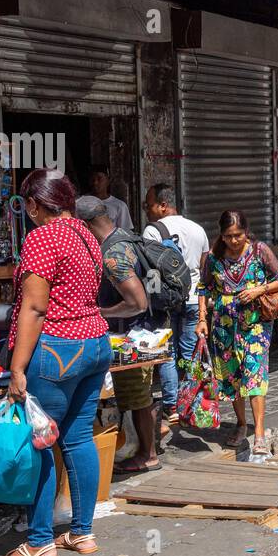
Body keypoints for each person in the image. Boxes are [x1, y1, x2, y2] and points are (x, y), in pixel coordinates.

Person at [0, 172, 111, 556]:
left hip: (58, 350)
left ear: (33, 204)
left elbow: (35, 307)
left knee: (41, 442)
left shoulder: (43, 237)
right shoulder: (84, 233)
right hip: (95, 342)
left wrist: (17, 368)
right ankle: (82, 532)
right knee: (78, 439)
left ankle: (40, 541)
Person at [76, 197, 164, 474]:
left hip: (133, 334)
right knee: (138, 395)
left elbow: (137, 302)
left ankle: (147, 454)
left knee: (137, 397)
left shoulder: (113, 253)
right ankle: (142, 449)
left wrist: (99, 312)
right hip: (138, 331)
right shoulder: (125, 236)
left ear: (86, 224)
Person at [196, 210, 278, 456]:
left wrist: (258, 290)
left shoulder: (259, 251)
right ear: (221, 235)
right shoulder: (213, 258)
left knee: (254, 375)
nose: (234, 241)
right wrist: (202, 318)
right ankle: (241, 424)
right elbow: (203, 288)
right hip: (224, 326)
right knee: (234, 378)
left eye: (238, 235)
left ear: (246, 232)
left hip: (254, 324)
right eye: (228, 236)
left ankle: (258, 433)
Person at [143, 185, 209, 425]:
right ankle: (189, 401)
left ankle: (171, 406)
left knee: (168, 353)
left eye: (148, 204)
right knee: (190, 352)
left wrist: (149, 302)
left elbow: (151, 272)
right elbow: (203, 268)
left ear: (163, 206)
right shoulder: (198, 229)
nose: (146, 210)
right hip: (193, 299)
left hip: (167, 301)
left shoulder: (152, 231)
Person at [90, 168, 133, 232]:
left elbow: (126, 232)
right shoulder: (82, 202)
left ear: (108, 181)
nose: (95, 183)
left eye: (99, 179)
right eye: (92, 179)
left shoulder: (120, 206)